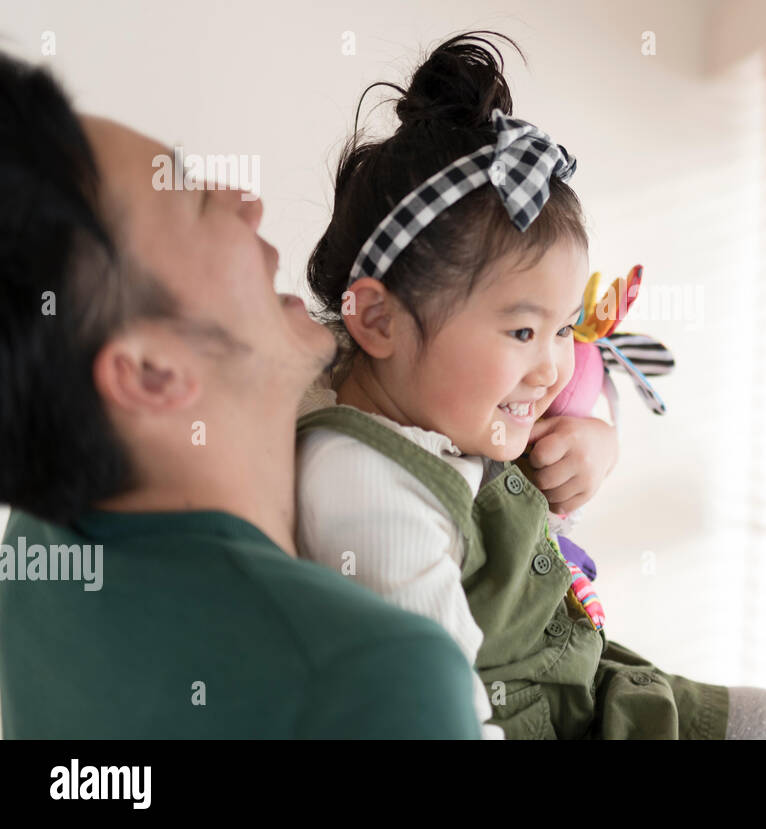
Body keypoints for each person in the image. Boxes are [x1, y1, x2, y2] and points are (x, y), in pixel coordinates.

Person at [295, 31, 766, 739]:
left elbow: (538, 518)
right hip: (533, 719)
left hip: (589, 682)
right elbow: (436, 711)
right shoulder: (367, 483)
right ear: (378, 319)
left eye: (565, 328)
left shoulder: (449, 411)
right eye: (521, 331)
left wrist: (595, 447)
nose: (553, 367)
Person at [0, 53, 481, 738]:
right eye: (197, 200)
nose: (247, 199)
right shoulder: (374, 676)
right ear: (150, 373)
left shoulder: (39, 552)